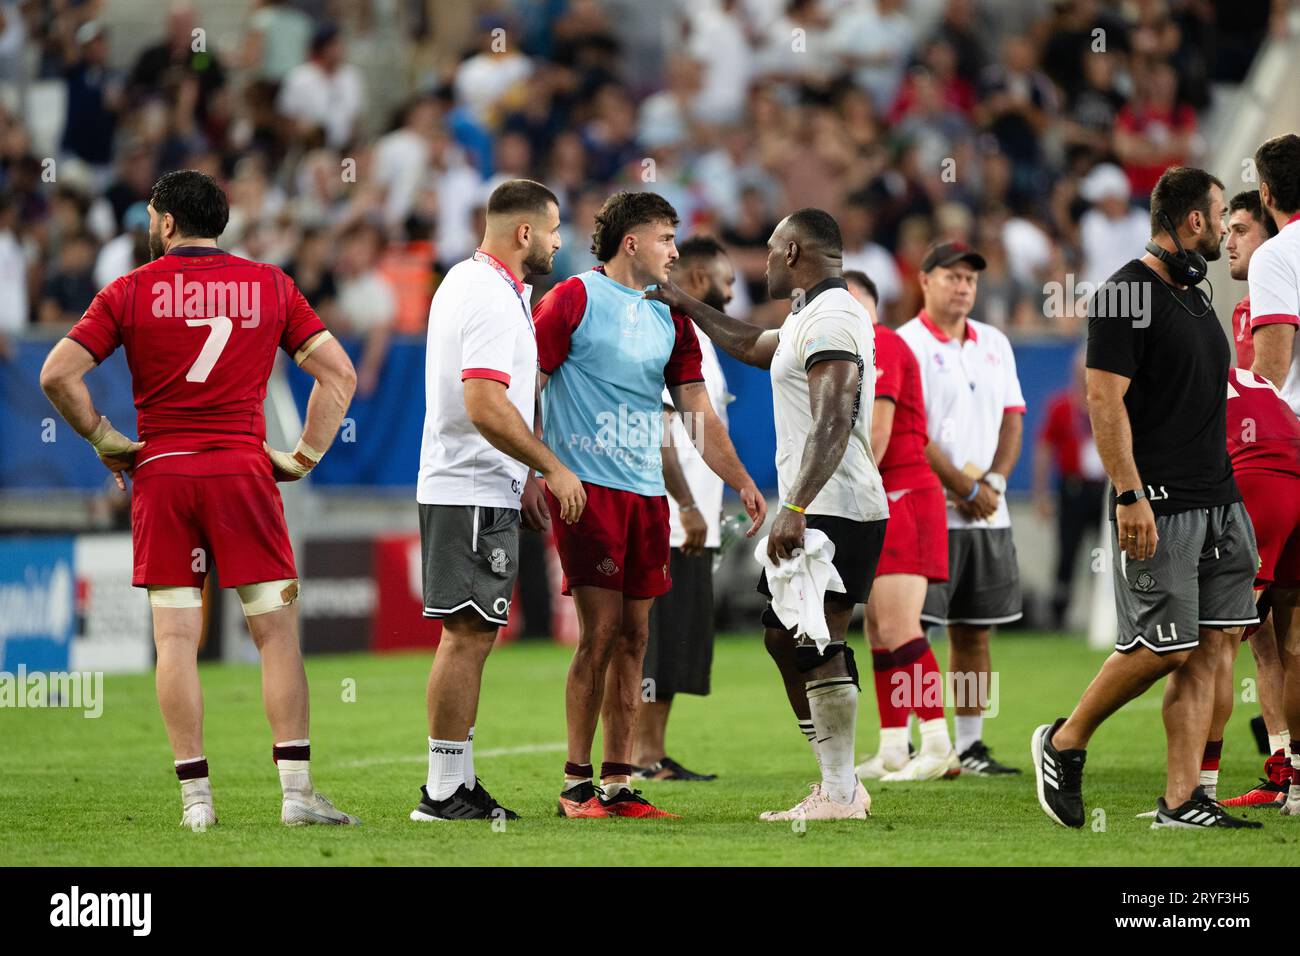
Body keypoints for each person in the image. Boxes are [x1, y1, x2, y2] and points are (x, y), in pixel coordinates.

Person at [39, 169, 359, 830]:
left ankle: (196, 805)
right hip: (243, 470)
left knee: (176, 638)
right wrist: (302, 455)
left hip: (163, 471)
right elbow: (339, 374)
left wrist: (105, 439)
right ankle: (297, 795)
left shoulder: (129, 290)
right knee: (275, 634)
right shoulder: (270, 284)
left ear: (162, 222)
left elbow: (56, 374)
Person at [1031, 166, 1262, 830]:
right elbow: (1103, 399)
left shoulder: (1194, 293)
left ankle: (1182, 800)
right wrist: (1130, 494)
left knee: (1211, 648)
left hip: (1219, 496)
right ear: (1193, 220)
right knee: (1162, 645)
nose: (1223, 229)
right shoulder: (1121, 295)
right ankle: (1066, 740)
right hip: (1159, 501)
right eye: (1220, 217)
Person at [650, 208, 888, 821]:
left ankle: (840, 791)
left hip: (834, 505)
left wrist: (798, 505)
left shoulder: (835, 316)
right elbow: (752, 346)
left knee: (814, 636)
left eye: (770, 246)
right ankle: (840, 780)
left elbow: (834, 419)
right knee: (783, 634)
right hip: (823, 504)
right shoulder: (810, 315)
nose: (762, 260)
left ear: (792, 253)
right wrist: (685, 303)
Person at [533, 191, 765, 819]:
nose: (673, 249)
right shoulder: (573, 298)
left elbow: (697, 413)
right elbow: (531, 382)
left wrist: (741, 479)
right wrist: (536, 471)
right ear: (631, 243)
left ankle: (619, 781)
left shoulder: (673, 316)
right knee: (600, 635)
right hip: (587, 489)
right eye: (666, 237)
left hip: (645, 492)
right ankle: (575, 784)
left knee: (636, 638)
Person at [410, 179, 585, 822]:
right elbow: (484, 404)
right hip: (472, 485)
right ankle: (442, 791)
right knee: (467, 634)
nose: (559, 242)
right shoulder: (486, 294)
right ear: (524, 233)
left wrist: (529, 477)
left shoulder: (481, 285)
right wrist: (553, 467)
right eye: (555, 229)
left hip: (483, 483)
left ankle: (454, 783)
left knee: (474, 632)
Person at [897, 240, 1027, 776]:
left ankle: (970, 745)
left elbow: (1013, 418)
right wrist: (963, 487)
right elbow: (913, 431)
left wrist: (992, 481)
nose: (963, 286)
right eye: (951, 276)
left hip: (986, 512)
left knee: (975, 630)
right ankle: (908, 740)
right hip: (929, 510)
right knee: (916, 628)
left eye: (970, 279)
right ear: (924, 281)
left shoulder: (994, 341)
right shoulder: (906, 344)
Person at [844, 269, 958, 782]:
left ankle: (937, 742)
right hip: (885, 497)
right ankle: (894, 746)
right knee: (877, 630)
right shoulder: (856, 350)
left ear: (867, 304)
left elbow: (879, 434)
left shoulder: (879, 342)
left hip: (903, 495)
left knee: (899, 625)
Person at [633, 236, 735, 782]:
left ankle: (654, 752)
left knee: (677, 645)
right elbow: (660, 430)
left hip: (693, 523)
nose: (733, 290)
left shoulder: (702, 337)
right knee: (654, 643)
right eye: (727, 279)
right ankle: (639, 755)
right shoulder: (668, 331)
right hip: (673, 520)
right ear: (698, 278)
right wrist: (689, 504)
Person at [1215, 189, 1293, 808]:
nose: (1228, 240)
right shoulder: (1247, 304)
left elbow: (1264, 388)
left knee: (1224, 632)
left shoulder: (1269, 290)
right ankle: (1284, 769)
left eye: (1240, 227)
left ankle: (1194, 788)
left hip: (1276, 472)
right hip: (1276, 471)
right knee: (1274, 638)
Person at [1033, 347, 1107, 630]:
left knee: (1103, 554)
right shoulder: (1060, 406)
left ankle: (1103, 616)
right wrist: (1041, 494)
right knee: (1067, 551)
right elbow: (1044, 449)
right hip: (1073, 489)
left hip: (1102, 489)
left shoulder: (1106, 403)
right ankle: (1059, 615)